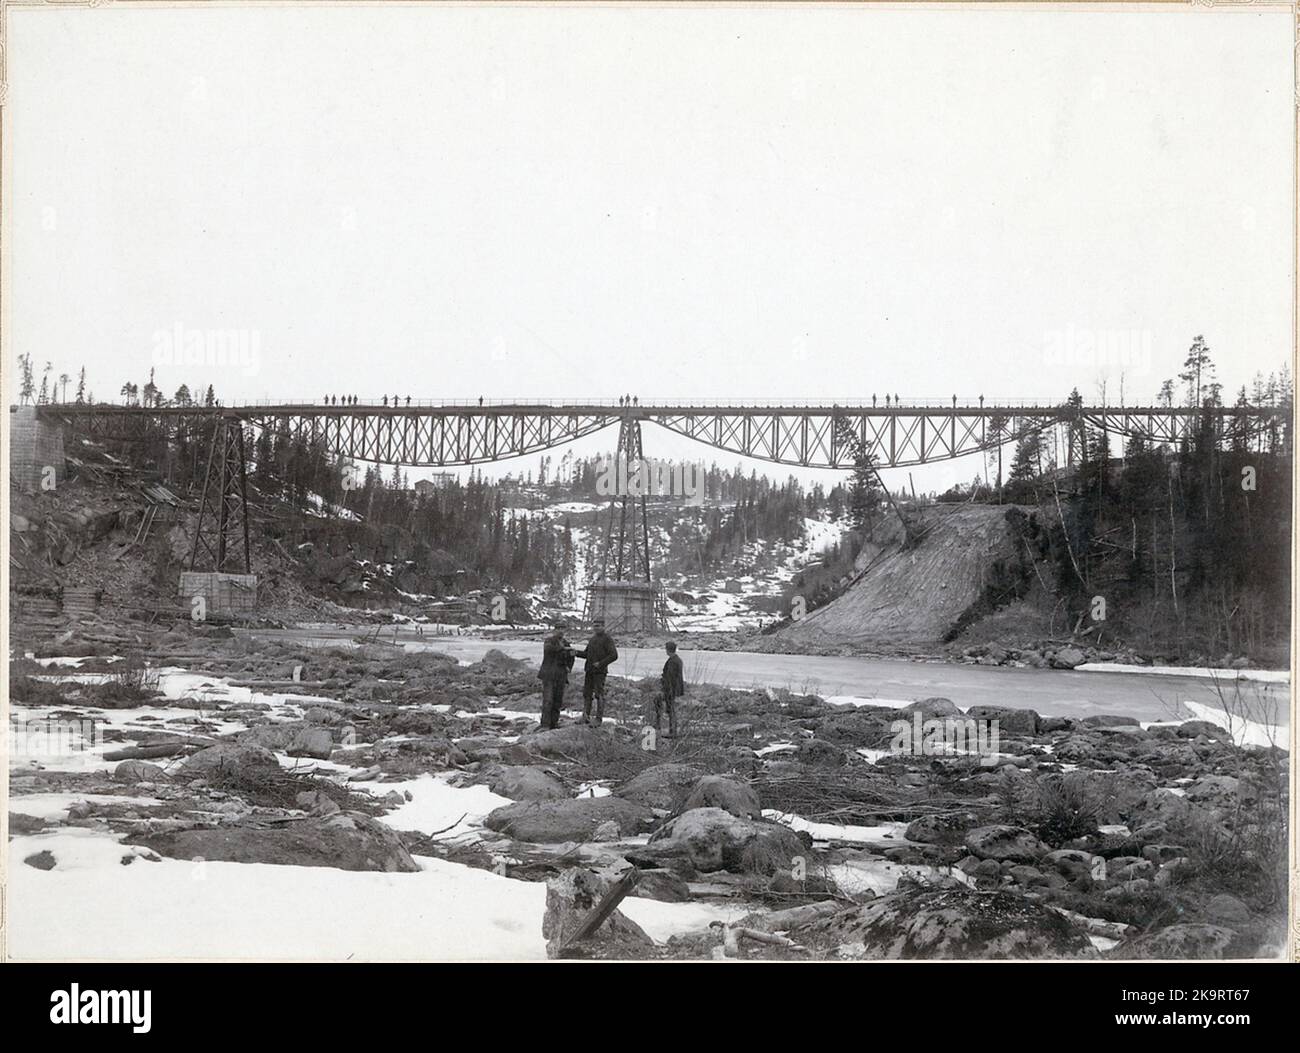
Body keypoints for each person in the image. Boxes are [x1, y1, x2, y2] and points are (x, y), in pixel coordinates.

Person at [574, 618, 618, 726]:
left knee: (599, 695)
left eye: (598, 626)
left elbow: (614, 655)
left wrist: (601, 663)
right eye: (594, 626)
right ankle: (585, 717)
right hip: (589, 670)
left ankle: (598, 719)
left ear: (603, 627)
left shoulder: (607, 639)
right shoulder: (592, 639)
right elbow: (586, 654)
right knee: (587, 694)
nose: (596, 628)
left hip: (600, 672)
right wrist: (575, 653)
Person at [537, 623, 575, 730]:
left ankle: (554, 723)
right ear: (555, 630)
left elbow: (572, 656)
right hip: (549, 675)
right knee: (548, 700)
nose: (561, 631)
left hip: (561, 675)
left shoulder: (566, 643)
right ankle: (545, 724)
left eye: (563, 628)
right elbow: (549, 650)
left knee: (558, 701)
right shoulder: (549, 641)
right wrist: (563, 648)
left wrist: (569, 667)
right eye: (559, 629)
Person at [655, 640, 685, 738]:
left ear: (668, 650)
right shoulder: (678, 659)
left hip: (671, 688)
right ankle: (670, 728)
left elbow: (670, 677)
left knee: (667, 706)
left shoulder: (672, 661)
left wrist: (665, 688)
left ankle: (666, 727)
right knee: (669, 707)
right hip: (675, 688)